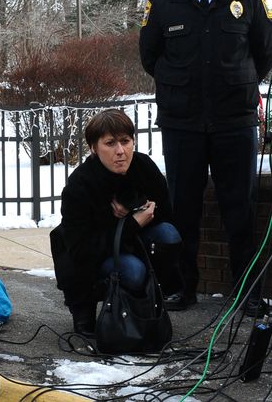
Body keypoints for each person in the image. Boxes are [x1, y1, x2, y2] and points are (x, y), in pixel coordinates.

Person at [138, 0, 272, 314]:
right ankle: (182, 287)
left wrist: (238, 85)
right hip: (183, 124)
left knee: (241, 208)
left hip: (234, 121)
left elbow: (265, 54)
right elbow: (150, 57)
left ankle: (248, 290)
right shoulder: (164, 4)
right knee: (183, 208)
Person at [50, 109, 182, 335]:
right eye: (110, 143)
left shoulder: (143, 166)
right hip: (88, 259)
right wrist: (133, 223)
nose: (120, 151)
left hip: (131, 244)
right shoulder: (80, 185)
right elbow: (82, 250)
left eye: (125, 141)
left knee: (168, 236)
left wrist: (138, 207)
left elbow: (167, 213)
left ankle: (147, 300)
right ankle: (86, 308)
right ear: (94, 147)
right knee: (132, 271)